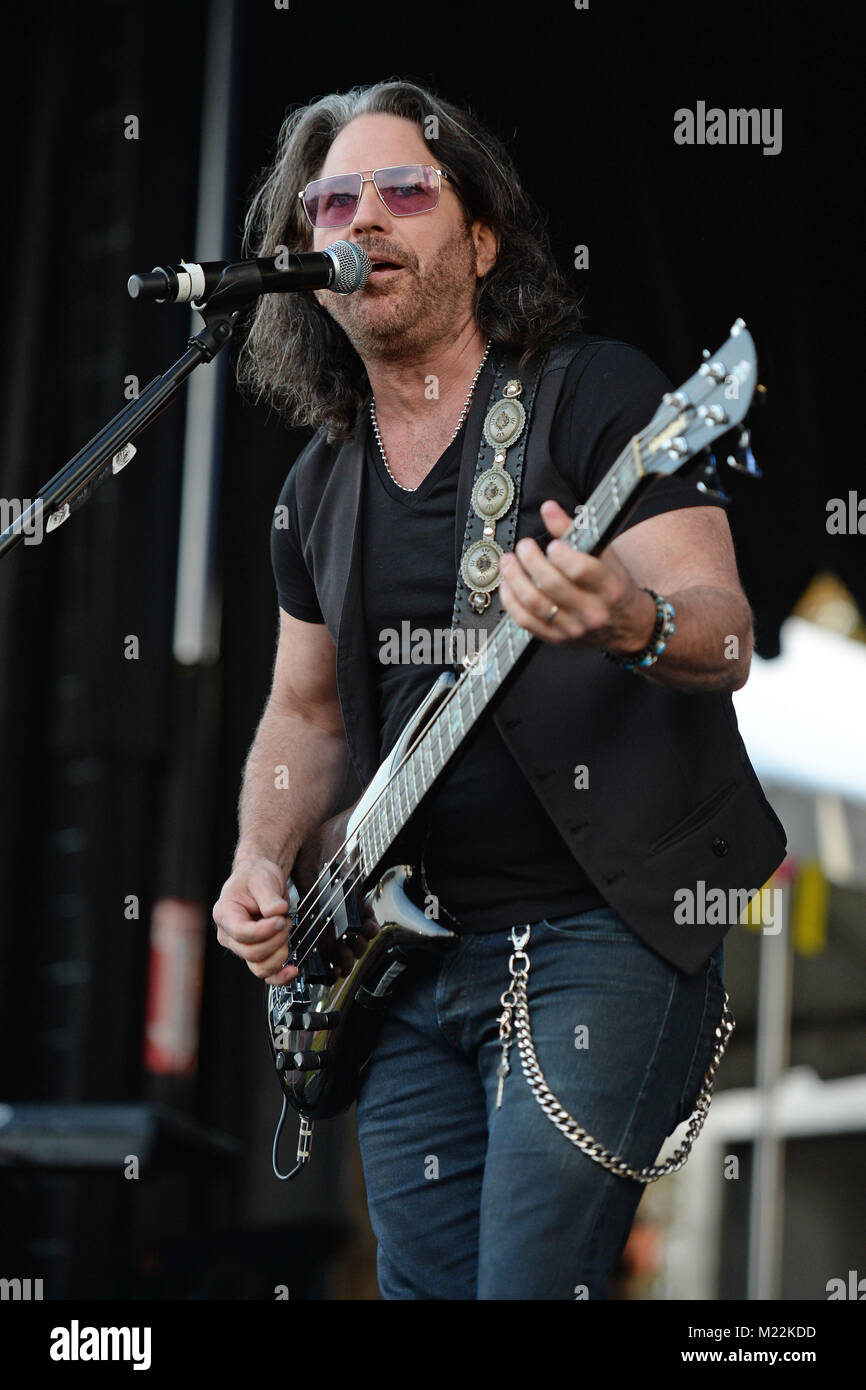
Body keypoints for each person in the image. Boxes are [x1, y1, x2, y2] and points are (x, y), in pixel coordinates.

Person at [212, 80, 786, 1300]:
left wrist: (631, 621)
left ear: (478, 240)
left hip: (594, 935)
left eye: (403, 190)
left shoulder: (599, 398)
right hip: (401, 969)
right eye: (333, 199)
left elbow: (724, 634)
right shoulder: (318, 485)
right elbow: (302, 717)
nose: (362, 218)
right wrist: (261, 857)